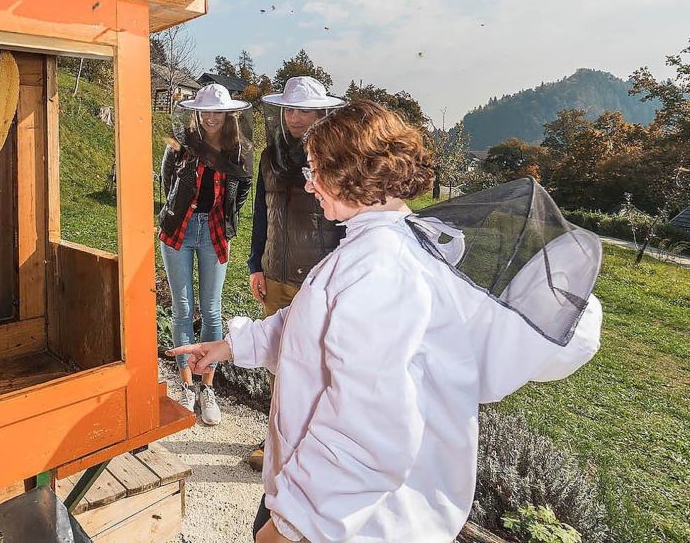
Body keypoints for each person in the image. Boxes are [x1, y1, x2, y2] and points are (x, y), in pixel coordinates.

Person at [168, 100, 603, 542]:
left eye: (315, 169)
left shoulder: (381, 270)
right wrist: (233, 346)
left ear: (351, 171)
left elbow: (368, 428)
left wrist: (294, 526)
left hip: (350, 518)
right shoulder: (381, 244)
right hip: (321, 493)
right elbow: (312, 324)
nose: (309, 183)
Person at [246, 75, 346, 470]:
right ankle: (275, 440)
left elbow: (344, 220)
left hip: (317, 280)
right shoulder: (270, 156)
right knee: (278, 362)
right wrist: (256, 263)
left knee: (318, 366)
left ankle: (314, 448)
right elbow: (261, 213)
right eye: (289, 108)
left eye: (304, 109)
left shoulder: (335, 158)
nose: (295, 117)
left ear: (321, 113)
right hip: (275, 274)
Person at [159, 83, 254, 425]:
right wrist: (174, 212)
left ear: (228, 115)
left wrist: (225, 219)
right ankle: (186, 384)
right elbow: (166, 182)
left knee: (212, 311)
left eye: (218, 111)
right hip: (179, 231)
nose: (211, 118)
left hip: (214, 232)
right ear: (196, 112)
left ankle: (207, 387)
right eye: (205, 111)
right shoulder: (182, 144)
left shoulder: (240, 150)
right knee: (183, 308)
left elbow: (242, 188)